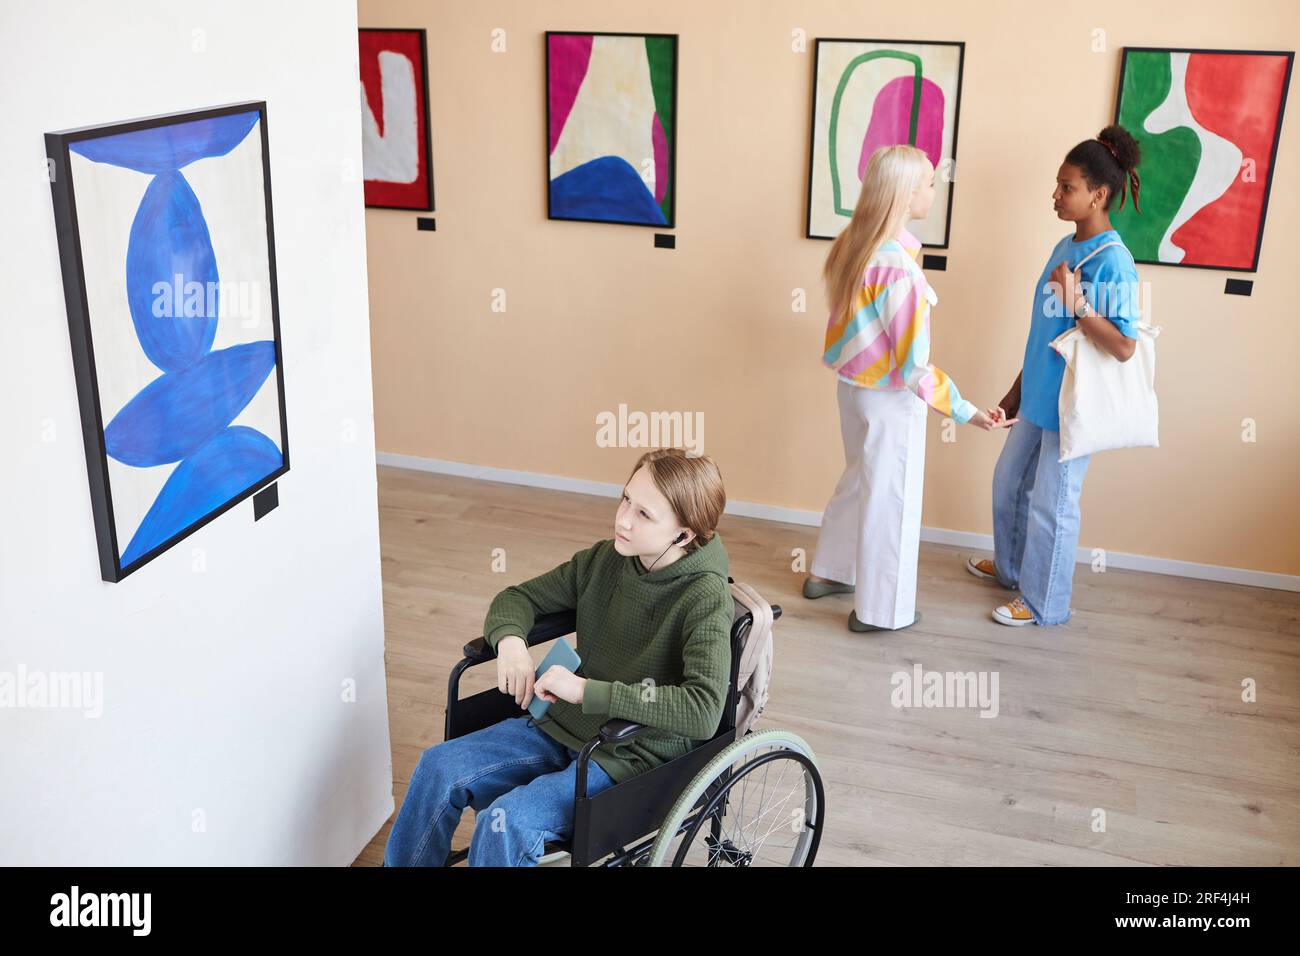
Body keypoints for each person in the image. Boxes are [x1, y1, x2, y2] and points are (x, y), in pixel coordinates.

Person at [384, 448, 734, 866]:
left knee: (505, 821)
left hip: (629, 755)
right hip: (562, 724)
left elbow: (704, 710)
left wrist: (587, 691)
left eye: (645, 514)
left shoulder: (704, 598)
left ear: (684, 534)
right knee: (437, 768)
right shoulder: (605, 560)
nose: (623, 519)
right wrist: (511, 642)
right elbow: (518, 598)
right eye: (626, 499)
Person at [806, 144, 1001, 633]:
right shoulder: (899, 270)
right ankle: (881, 612)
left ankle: (829, 573)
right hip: (890, 399)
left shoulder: (856, 244)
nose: (935, 190)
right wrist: (966, 410)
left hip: (853, 390)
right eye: (930, 183)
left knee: (858, 480)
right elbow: (914, 368)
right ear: (907, 193)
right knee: (890, 498)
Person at [966, 125, 1144, 626]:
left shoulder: (1114, 262)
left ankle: (1045, 601)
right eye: (1058, 185)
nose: (1056, 195)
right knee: (1007, 484)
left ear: (1098, 195)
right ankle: (1012, 569)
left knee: (1053, 504)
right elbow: (1047, 332)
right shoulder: (1065, 246)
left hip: (1072, 407)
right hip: (1040, 397)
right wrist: (1016, 394)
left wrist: (1078, 302)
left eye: (1067, 187)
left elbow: (1125, 347)